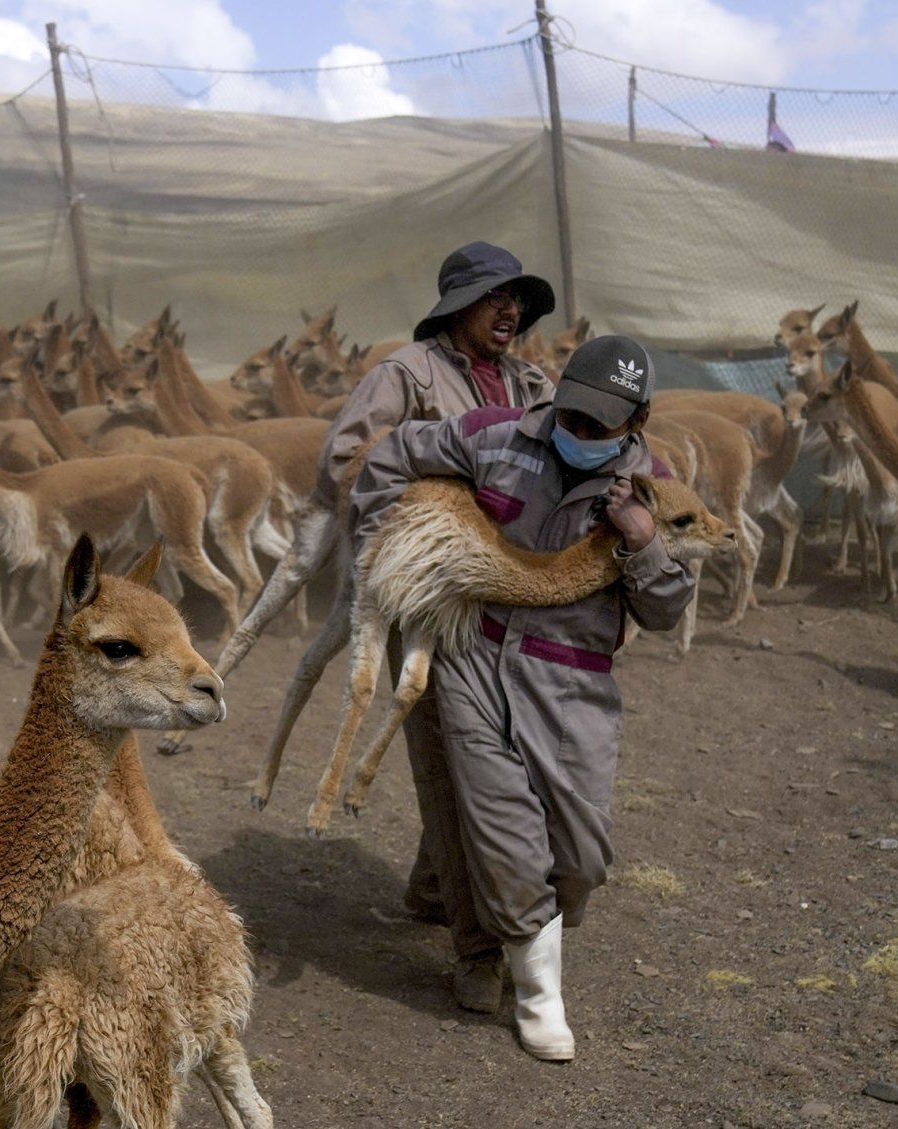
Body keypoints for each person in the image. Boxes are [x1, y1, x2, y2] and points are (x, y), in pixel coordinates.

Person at [347, 334, 696, 1061]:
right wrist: (388, 546)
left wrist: (641, 541)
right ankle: (536, 995)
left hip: (570, 679)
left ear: (637, 421)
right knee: (499, 827)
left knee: (581, 855)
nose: (580, 431)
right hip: (473, 653)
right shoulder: (494, 437)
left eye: (600, 424)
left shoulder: (652, 486)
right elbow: (393, 455)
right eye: (572, 414)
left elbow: (665, 610)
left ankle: (521, 939)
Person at [317, 242, 555, 1014]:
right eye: (495, 296)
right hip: (435, 602)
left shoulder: (531, 383)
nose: (510, 310)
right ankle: (477, 948)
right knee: (449, 761)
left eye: (517, 298)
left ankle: (431, 884)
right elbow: (346, 462)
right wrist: (436, 512)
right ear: (458, 306)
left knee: (508, 752)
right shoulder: (406, 374)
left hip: (515, 592)